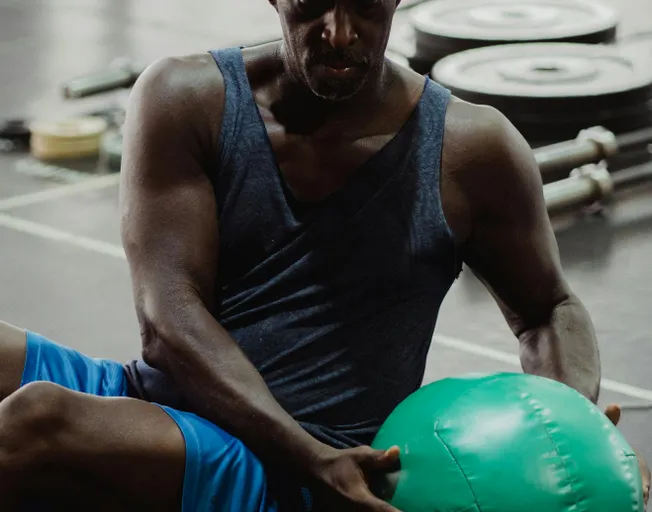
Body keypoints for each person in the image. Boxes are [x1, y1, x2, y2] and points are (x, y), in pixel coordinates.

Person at [0, 0, 648, 510]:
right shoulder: (186, 99)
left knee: (36, 425)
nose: (339, 32)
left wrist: (568, 427)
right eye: (314, 3)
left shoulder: (471, 150)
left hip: (311, 473)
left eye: (365, 4)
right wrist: (304, 454)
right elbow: (168, 321)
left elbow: (547, 307)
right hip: (163, 403)